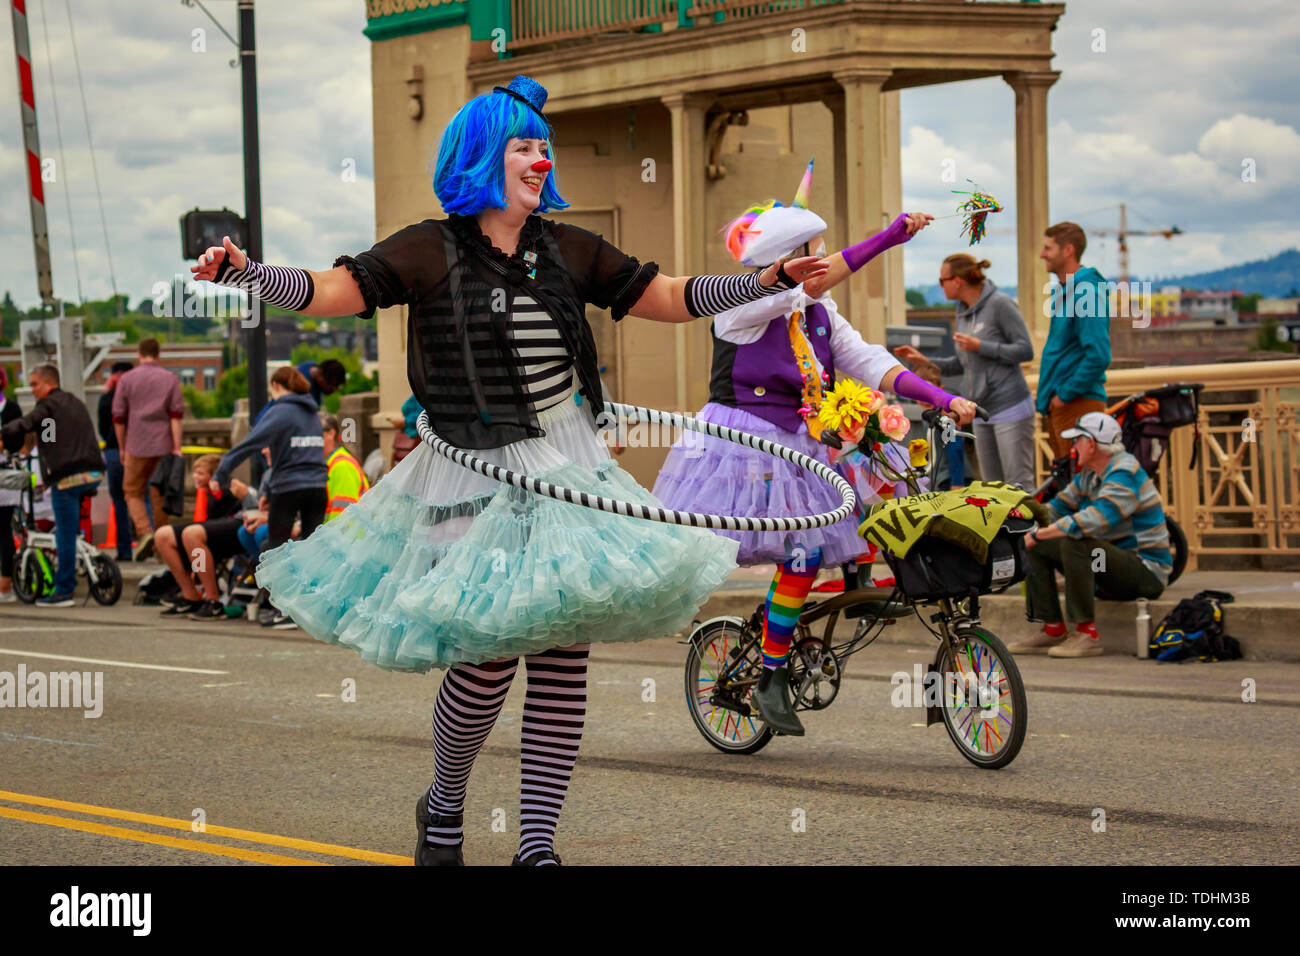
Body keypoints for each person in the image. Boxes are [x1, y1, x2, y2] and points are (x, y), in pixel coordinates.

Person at [192, 74, 829, 866]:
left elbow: (668, 295)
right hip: (473, 468)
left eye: (543, 145)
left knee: (563, 650)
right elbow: (331, 289)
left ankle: (535, 847)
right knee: (489, 656)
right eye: (524, 145)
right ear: (484, 156)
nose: (540, 157)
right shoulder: (428, 247)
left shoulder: (565, 248)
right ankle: (446, 809)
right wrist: (248, 275)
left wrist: (766, 283)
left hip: (567, 464)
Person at [653, 160, 976, 737]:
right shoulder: (739, 309)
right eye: (811, 252)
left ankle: (855, 581)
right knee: (799, 551)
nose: (820, 262)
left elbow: (871, 362)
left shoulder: (818, 312)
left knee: (879, 478)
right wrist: (889, 237)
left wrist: (941, 398)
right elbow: (804, 286)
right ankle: (771, 673)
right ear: (782, 260)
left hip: (804, 442)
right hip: (746, 443)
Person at [1011, 412, 1170, 658]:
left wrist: (1040, 534)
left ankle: (1087, 634)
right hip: (1107, 567)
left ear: (1092, 444)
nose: (1074, 446)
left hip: (1144, 573)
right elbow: (1056, 507)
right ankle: (1052, 628)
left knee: (1076, 541)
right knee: (1036, 545)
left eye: (1077, 440)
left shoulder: (1125, 472)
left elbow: (1095, 520)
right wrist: (1022, 523)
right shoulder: (1090, 473)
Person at [895, 254, 1034, 489]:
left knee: (1018, 486)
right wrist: (925, 360)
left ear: (957, 280)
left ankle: (1032, 527)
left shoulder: (1000, 304)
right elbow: (963, 363)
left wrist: (981, 346)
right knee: (992, 487)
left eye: (942, 280)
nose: (940, 286)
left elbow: (1025, 350)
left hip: (1010, 406)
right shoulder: (961, 310)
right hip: (981, 409)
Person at [210, 366, 330, 630]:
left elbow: (250, 443)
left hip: (289, 487)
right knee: (310, 549)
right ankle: (311, 609)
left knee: (277, 547)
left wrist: (221, 472)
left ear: (276, 386)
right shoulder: (313, 412)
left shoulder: (280, 411)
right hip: (318, 486)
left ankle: (285, 610)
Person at [1, 365, 104, 607]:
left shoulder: (47, 405)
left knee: (64, 536)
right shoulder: (74, 402)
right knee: (71, 526)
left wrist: (4, 432)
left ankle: (64, 591)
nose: (32, 390)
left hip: (68, 476)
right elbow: (51, 437)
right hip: (93, 471)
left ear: (48, 383)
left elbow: (28, 422)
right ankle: (89, 560)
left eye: (35, 384)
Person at [1038, 222, 1111, 460]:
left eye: (1048, 248)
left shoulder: (1085, 291)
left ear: (1068, 250)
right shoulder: (1069, 290)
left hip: (1077, 406)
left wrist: (1064, 396)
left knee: (1080, 485)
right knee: (1070, 486)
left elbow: (1099, 355)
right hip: (1068, 406)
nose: (1042, 254)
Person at [154, 454, 258, 620]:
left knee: (192, 534)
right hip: (210, 532)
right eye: (195, 473)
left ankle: (213, 600)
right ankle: (191, 597)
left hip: (238, 524)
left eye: (201, 473)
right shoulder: (204, 493)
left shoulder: (226, 488)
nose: (195, 477)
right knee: (162, 535)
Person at [112, 338, 184, 560]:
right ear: (158, 354)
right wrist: (177, 447)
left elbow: (119, 418)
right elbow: (176, 416)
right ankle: (163, 543)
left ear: (139, 353)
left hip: (136, 443)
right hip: (163, 444)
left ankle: (145, 532)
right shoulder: (170, 379)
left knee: (132, 491)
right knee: (159, 493)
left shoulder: (127, 380)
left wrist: (122, 448)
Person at [98, 360, 137, 562]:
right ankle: (152, 543)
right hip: (140, 450)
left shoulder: (107, 398)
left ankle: (125, 550)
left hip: (114, 450)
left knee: (120, 501)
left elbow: (102, 429)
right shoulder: (138, 397)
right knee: (144, 497)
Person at [0, 367, 23, 602]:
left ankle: (5, 585)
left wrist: (5, 445)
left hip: (5, 476)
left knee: (3, 529)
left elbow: (17, 440)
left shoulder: (12, 408)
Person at [320, 413, 370, 520]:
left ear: (331, 434)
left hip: (349, 535)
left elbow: (342, 518)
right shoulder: (332, 462)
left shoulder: (342, 465)